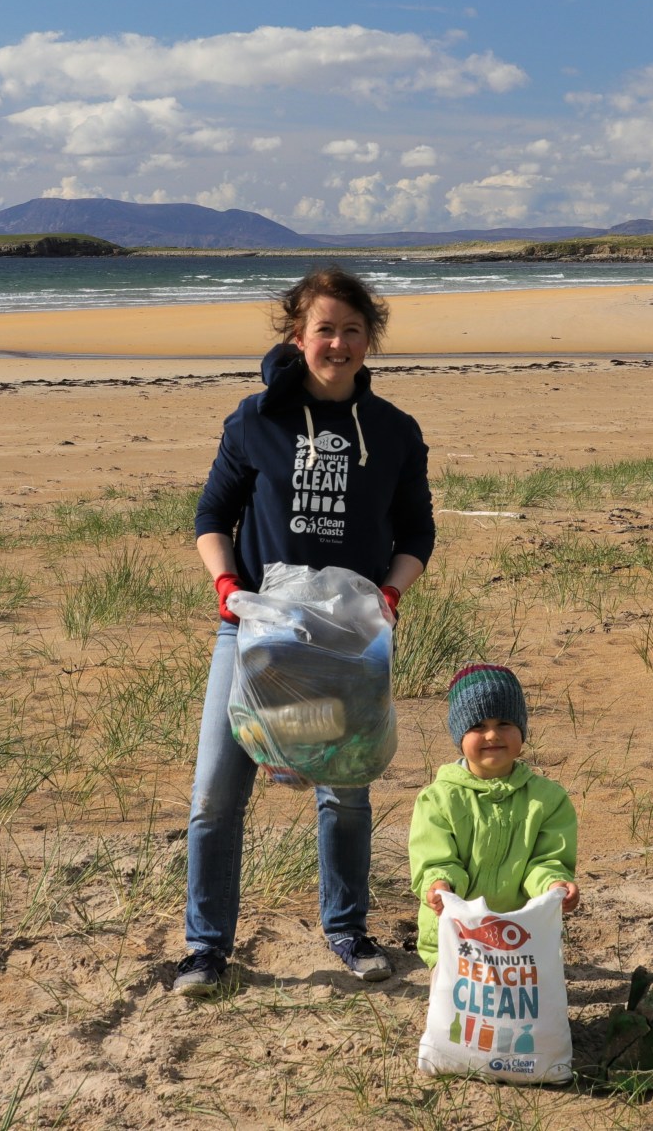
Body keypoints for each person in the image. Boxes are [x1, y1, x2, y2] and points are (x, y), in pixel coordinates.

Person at [175, 266, 436, 997]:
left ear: (369, 341)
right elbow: (209, 519)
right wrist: (229, 589)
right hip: (253, 638)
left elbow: (418, 532)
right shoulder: (255, 420)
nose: (340, 343)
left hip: (347, 643)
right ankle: (205, 949)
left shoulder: (393, 432)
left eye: (354, 330)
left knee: (344, 788)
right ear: (300, 337)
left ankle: (348, 931)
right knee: (216, 796)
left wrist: (389, 593)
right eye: (326, 329)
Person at [410, 664, 578, 967]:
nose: (492, 735)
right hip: (454, 940)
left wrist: (554, 885)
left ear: (522, 730)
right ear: (459, 734)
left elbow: (546, 861)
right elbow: (435, 860)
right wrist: (440, 884)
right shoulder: (437, 799)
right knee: (455, 1013)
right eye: (477, 726)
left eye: (504, 723)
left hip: (520, 942)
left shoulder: (548, 800)